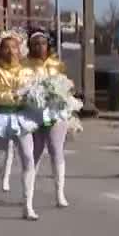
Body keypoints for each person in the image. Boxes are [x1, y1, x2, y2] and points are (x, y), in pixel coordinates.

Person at [0, 29, 41, 220]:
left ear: (20, 50)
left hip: (21, 118)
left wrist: (38, 99)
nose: (11, 51)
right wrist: (13, 96)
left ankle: (28, 205)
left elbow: (35, 92)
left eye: (14, 47)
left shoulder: (28, 71)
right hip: (0, 117)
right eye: (6, 47)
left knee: (28, 158)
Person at [25, 31, 71, 208]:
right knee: (33, 153)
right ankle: (29, 195)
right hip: (34, 114)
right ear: (30, 46)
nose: (40, 47)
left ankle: (60, 193)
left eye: (43, 43)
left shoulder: (56, 64)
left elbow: (66, 86)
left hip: (55, 113)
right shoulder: (24, 65)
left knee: (56, 149)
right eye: (36, 44)